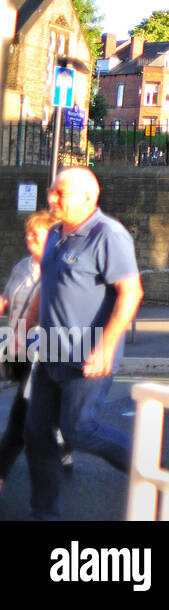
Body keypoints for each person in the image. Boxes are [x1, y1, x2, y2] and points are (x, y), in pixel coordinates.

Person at [24, 167, 144, 520]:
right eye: (52, 191)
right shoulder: (56, 235)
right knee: (36, 432)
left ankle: (148, 467)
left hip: (87, 354)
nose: (52, 199)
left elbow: (131, 292)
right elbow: (47, 283)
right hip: (50, 352)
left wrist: (105, 346)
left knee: (79, 430)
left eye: (61, 194)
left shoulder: (109, 235)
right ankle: (43, 513)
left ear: (89, 198)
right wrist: (26, 323)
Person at [0, 211, 61, 493]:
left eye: (37, 232)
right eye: (28, 232)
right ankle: (64, 440)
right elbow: (8, 297)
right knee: (39, 408)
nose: (29, 237)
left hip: (43, 352)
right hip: (15, 347)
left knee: (20, 414)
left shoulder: (59, 270)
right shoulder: (22, 266)